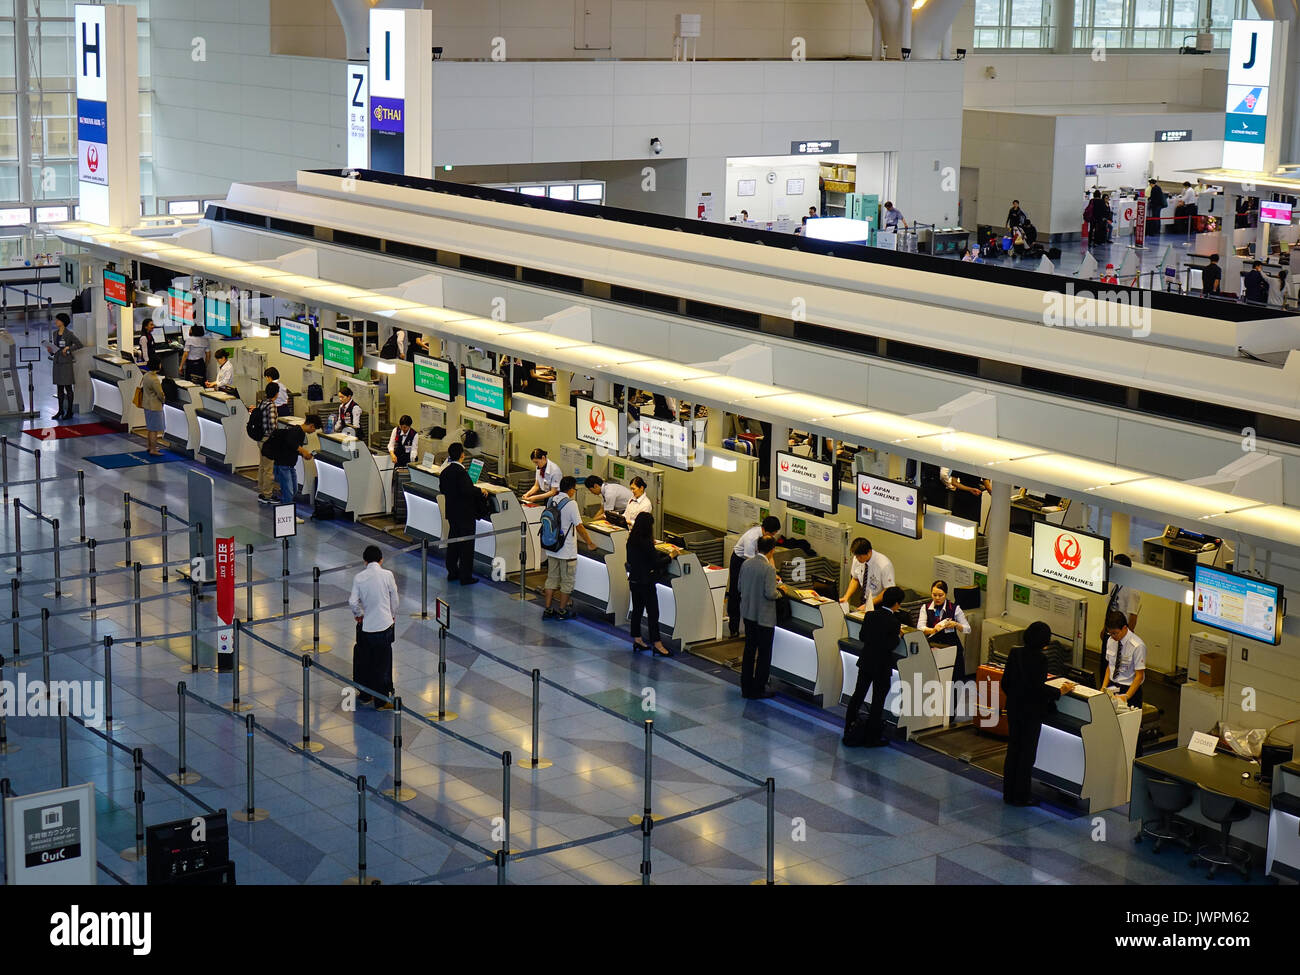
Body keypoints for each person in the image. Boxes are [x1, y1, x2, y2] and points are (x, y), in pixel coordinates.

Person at [1002, 621, 1074, 805]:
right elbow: (1037, 689)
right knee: (1026, 755)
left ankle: (1008, 793)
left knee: (1013, 751)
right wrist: (1060, 692)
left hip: (1014, 709)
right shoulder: (1041, 660)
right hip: (1030, 713)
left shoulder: (1015, 652)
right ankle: (1021, 796)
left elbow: (1006, 683)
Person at [348, 544, 400, 708]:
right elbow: (395, 599)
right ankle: (381, 701)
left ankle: (366, 694)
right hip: (385, 625)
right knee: (383, 664)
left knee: (366, 660)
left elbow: (352, 602)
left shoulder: (359, 578)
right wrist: (392, 613)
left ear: (365, 561)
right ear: (381, 560)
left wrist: (359, 615)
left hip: (367, 627)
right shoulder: (387, 575)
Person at [843, 603, 902, 747]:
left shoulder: (870, 615)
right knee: (878, 701)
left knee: (858, 695)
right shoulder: (894, 622)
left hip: (866, 661)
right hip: (882, 665)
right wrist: (898, 636)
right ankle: (872, 737)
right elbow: (891, 645)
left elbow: (862, 636)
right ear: (896, 604)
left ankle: (848, 729)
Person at [542, 476, 593, 620]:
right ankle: (562, 611)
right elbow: (579, 526)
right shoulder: (571, 504)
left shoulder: (551, 499)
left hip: (552, 547)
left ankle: (547, 609)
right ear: (571, 489)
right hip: (567, 551)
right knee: (567, 581)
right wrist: (589, 542)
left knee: (551, 579)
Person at [739, 535, 781, 699]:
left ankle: (746, 686)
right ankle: (758, 688)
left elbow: (739, 586)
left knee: (749, 651)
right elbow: (770, 593)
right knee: (764, 654)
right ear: (772, 550)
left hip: (748, 615)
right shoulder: (769, 569)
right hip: (764, 618)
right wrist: (781, 592)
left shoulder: (746, 563)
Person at [727, 516, 781, 639]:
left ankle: (752, 627)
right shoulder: (752, 538)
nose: (774, 536)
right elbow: (752, 564)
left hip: (755, 561)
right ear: (766, 531)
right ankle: (734, 627)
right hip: (740, 560)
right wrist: (767, 574)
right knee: (736, 592)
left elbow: (769, 556)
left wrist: (773, 573)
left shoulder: (767, 537)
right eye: (773, 533)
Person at [440, 441, 487, 586]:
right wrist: (480, 491)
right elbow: (467, 491)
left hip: (452, 514)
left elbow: (442, 489)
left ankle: (452, 571)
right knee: (466, 546)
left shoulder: (445, 472)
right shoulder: (461, 473)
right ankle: (465, 576)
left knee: (453, 543)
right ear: (462, 455)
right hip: (465, 515)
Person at [626, 511, 672, 656]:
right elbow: (656, 563)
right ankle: (657, 643)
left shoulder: (631, 540)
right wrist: (670, 556)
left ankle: (637, 638)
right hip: (646, 582)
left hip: (634, 580)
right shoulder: (646, 542)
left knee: (637, 610)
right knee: (653, 613)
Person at [263, 414, 320, 523]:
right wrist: (304, 451)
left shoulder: (298, 431)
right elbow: (291, 442)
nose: (313, 432)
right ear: (311, 426)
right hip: (284, 466)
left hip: (289, 466)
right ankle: (288, 516)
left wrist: (303, 453)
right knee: (288, 492)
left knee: (293, 490)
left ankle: (286, 513)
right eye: (314, 429)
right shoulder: (296, 432)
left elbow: (291, 446)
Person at [918, 579, 971, 681]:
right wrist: (933, 630)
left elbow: (967, 629)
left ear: (946, 594)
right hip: (933, 645)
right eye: (934, 595)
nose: (937, 598)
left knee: (955, 679)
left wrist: (956, 624)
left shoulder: (955, 609)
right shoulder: (925, 608)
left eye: (940, 595)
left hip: (951, 645)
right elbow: (920, 627)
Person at [1101, 609, 1147, 707]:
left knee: (1128, 720)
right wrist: (1103, 687)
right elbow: (1110, 666)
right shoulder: (1111, 640)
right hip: (1112, 687)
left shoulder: (1137, 646)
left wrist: (1126, 696)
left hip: (1129, 689)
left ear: (1125, 628)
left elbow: (1139, 676)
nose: (1112, 636)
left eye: (1115, 633)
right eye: (1110, 633)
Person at [840, 536, 895, 609]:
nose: (857, 559)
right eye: (856, 556)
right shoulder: (857, 559)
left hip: (879, 603)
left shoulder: (884, 565)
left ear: (869, 552)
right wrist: (846, 597)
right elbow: (855, 579)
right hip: (864, 600)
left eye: (860, 556)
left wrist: (870, 604)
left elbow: (888, 590)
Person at [48, 312, 82, 420]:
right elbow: (55, 349)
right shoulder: (54, 333)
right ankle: (60, 410)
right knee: (59, 387)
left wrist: (68, 348)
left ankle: (70, 411)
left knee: (68, 387)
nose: (55, 321)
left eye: (57, 320)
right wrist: (51, 350)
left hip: (66, 363)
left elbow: (79, 344)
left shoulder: (69, 334)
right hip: (57, 363)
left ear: (62, 322)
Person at [252, 382, 280, 504]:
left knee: (263, 466)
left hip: (260, 439)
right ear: (276, 394)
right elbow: (273, 425)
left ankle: (262, 491)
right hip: (268, 440)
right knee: (269, 468)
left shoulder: (262, 403)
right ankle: (268, 495)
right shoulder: (272, 406)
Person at [139, 358, 166, 456]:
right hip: (155, 406)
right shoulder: (155, 379)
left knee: (150, 428)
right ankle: (153, 449)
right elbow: (160, 393)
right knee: (155, 429)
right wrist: (164, 400)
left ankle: (150, 446)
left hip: (147, 404)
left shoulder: (146, 375)